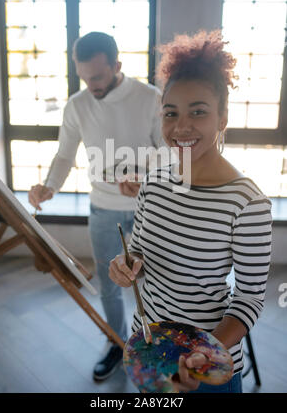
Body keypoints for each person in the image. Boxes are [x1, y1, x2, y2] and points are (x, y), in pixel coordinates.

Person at [109, 30, 272, 393]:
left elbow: (249, 298)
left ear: (222, 117)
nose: (181, 126)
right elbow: (138, 253)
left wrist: (201, 352)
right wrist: (125, 265)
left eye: (198, 112)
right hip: (148, 348)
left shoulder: (246, 202)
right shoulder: (153, 182)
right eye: (171, 113)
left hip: (205, 364)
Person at [28, 31, 161, 381]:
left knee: (153, 282)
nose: (91, 85)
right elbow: (64, 153)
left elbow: (171, 156)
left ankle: (154, 346)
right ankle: (118, 343)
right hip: (102, 209)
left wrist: (142, 178)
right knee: (109, 283)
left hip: (150, 210)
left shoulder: (151, 98)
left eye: (98, 77)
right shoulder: (77, 104)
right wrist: (49, 186)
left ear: (117, 65)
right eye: (84, 77)